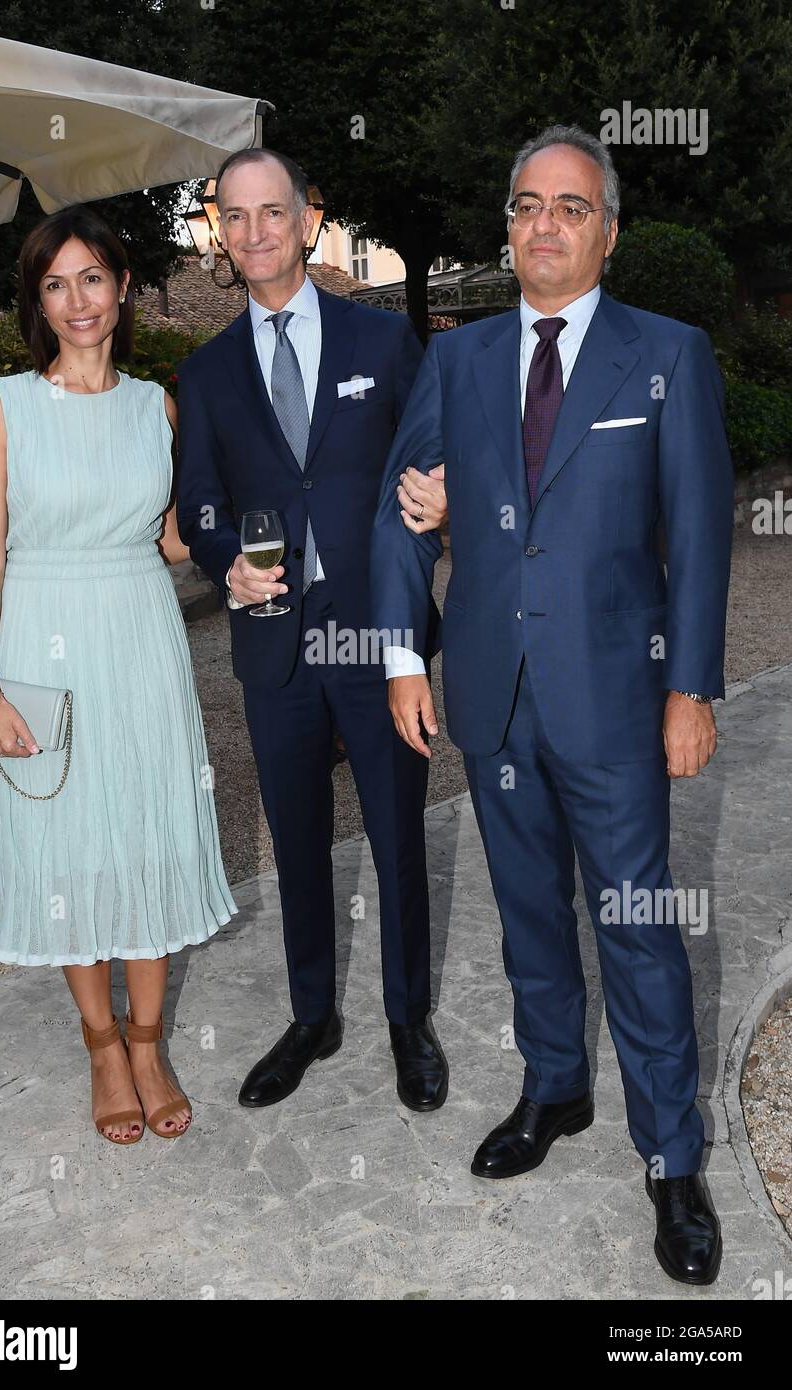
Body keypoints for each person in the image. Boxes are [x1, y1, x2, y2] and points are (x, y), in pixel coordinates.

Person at [371, 124, 732, 1284]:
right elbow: (402, 506)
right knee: (529, 916)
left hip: (617, 703)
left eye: (569, 207)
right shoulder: (459, 360)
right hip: (491, 701)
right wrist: (398, 656)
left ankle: (671, 1157)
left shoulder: (667, 353)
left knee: (637, 928)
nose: (543, 225)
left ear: (607, 231)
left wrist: (688, 688)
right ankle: (554, 1088)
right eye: (526, 204)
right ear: (508, 225)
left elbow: (701, 535)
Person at [176, 148, 448, 1111]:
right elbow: (200, 504)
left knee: (395, 833)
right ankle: (311, 1015)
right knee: (294, 835)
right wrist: (225, 565)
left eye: (270, 213)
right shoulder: (204, 373)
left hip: (377, 633)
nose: (252, 232)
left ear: (306, 221)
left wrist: (444, 497)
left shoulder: (380, 344)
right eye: (233, 217)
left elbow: (431, 456)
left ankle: (409, 1019)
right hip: (274, 637)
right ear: (223, 232)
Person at [0, 206, 237, 1145]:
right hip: (43, 640)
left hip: (139, 639)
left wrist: (241, 546)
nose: (77, 300)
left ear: (123, 286)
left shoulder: (155, 407)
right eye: (56, 283)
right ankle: (101, 1047)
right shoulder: (4, 404)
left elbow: (171, 540)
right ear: (38, 302)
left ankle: (151, 1041)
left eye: (92, 278)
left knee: (152, 830)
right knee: (70, 843)